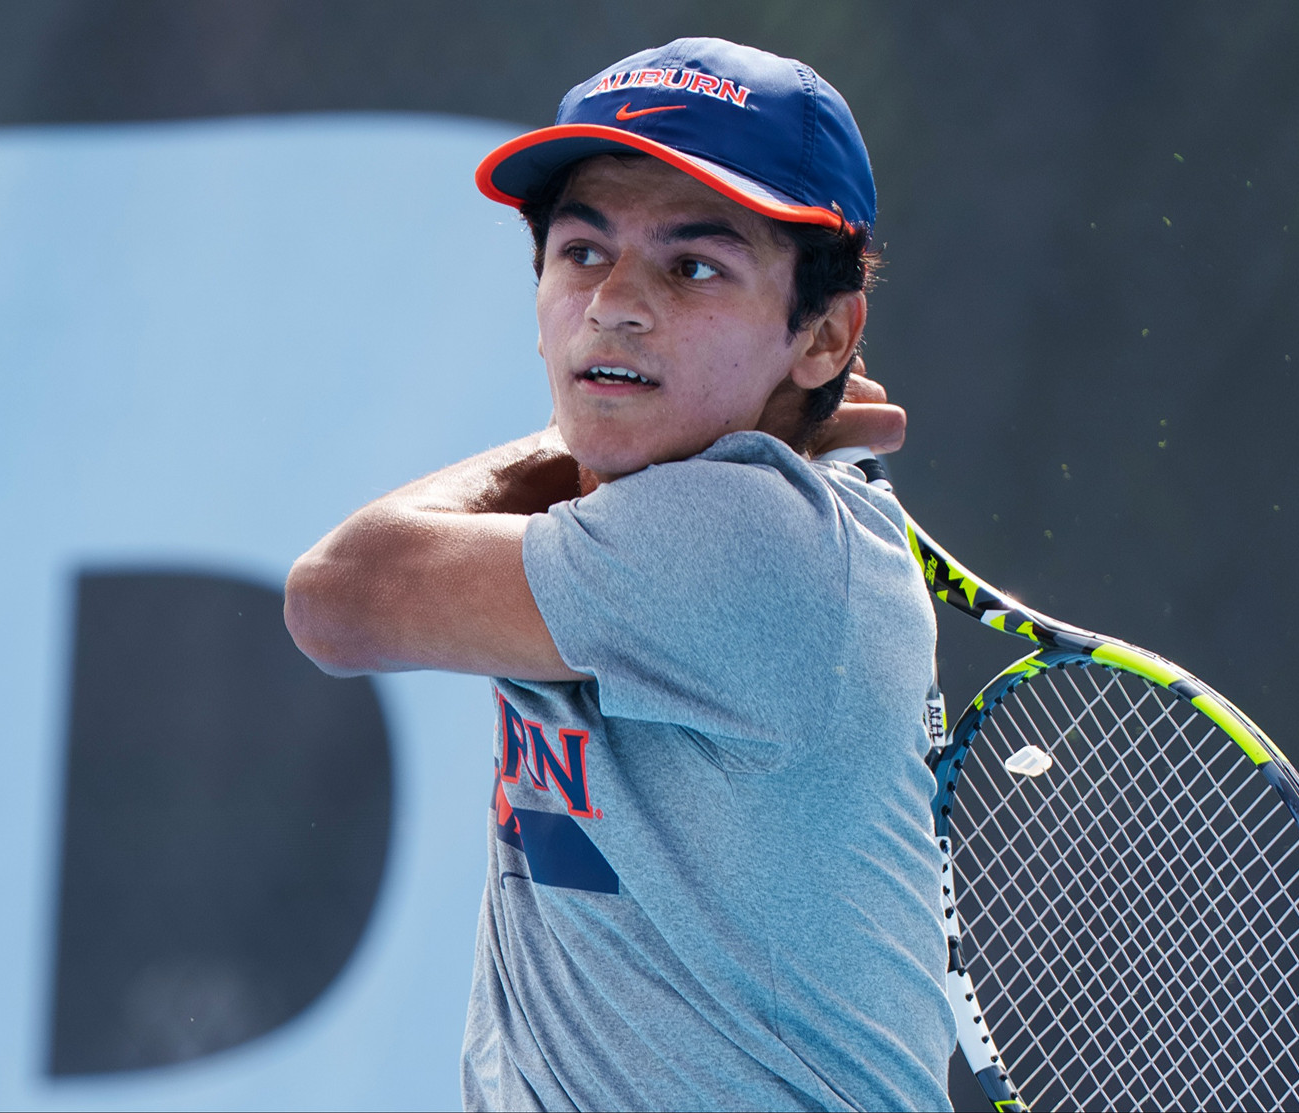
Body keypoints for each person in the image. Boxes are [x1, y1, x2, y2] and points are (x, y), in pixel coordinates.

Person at [285, 38, 952, 1112]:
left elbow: (339, 597)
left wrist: (584, 438)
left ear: (826, 335)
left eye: (694, 267)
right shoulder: (663, 516)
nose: (614, 303)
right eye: (583, 252)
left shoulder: (749, 540)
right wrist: (658, 430)